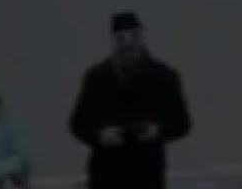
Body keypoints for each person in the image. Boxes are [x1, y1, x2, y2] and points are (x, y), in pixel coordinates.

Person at [68, 12, 192, 189]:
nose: (128, 44)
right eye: (121, 39)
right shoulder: (96, 78)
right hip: (106, 173)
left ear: (142, 38)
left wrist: (158, 131)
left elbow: (183, 123)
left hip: (147, 173)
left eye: (134, 37)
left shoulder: (164, 77)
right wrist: (100, 136)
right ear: (113, 42)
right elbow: (77, 124)